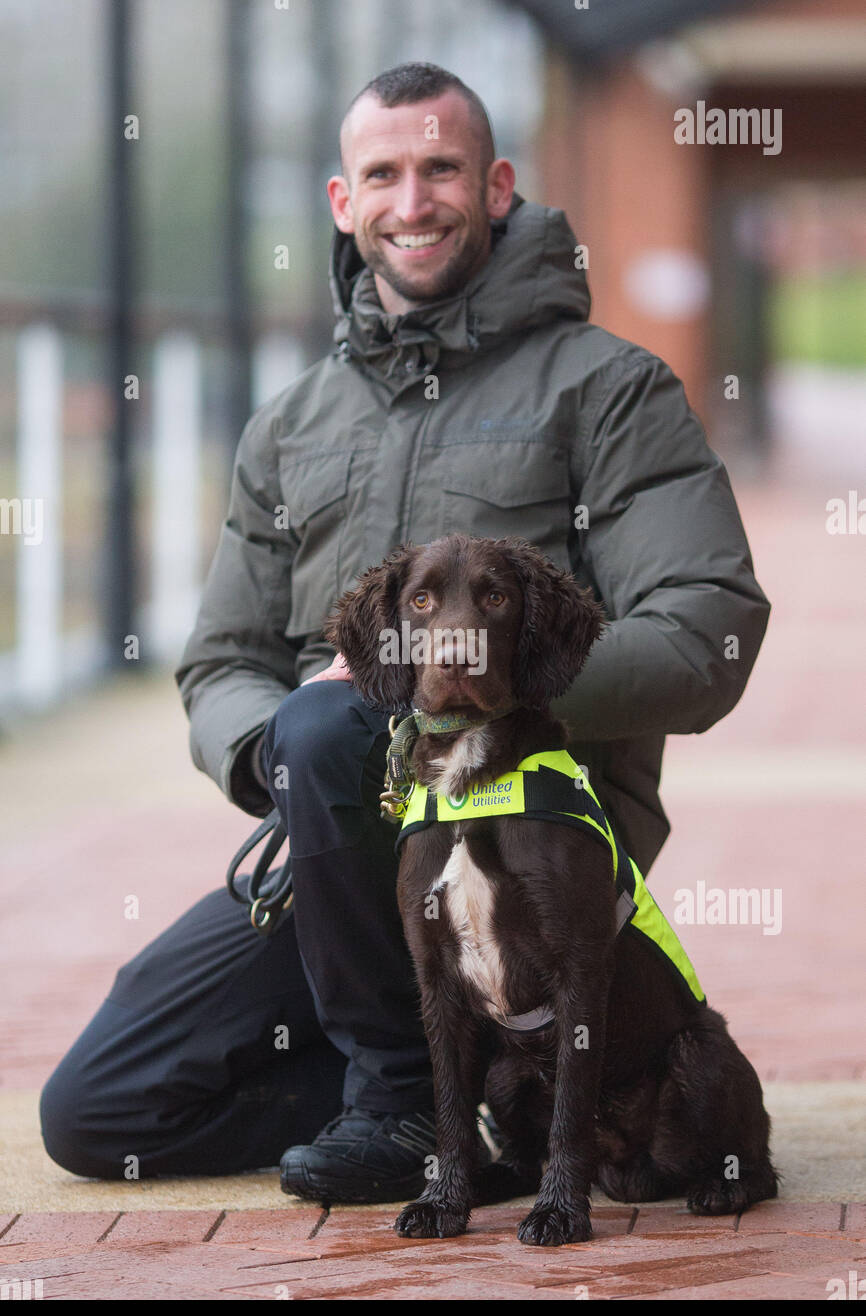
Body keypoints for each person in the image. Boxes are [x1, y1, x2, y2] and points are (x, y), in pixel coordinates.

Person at [40, 62, 770, 1204]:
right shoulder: (290, 423)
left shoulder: (608, 390)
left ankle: (402, 1107)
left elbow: (706, 633)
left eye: (441, 169)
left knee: (344, 709)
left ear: (494, 188)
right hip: (346, 853)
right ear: (343, 201)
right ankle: (441, 1087)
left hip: (533, 850)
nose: (412, 198)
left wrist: (476, 680)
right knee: (100, 1111)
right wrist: (277, 750)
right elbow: (220, 662)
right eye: (383, 173)